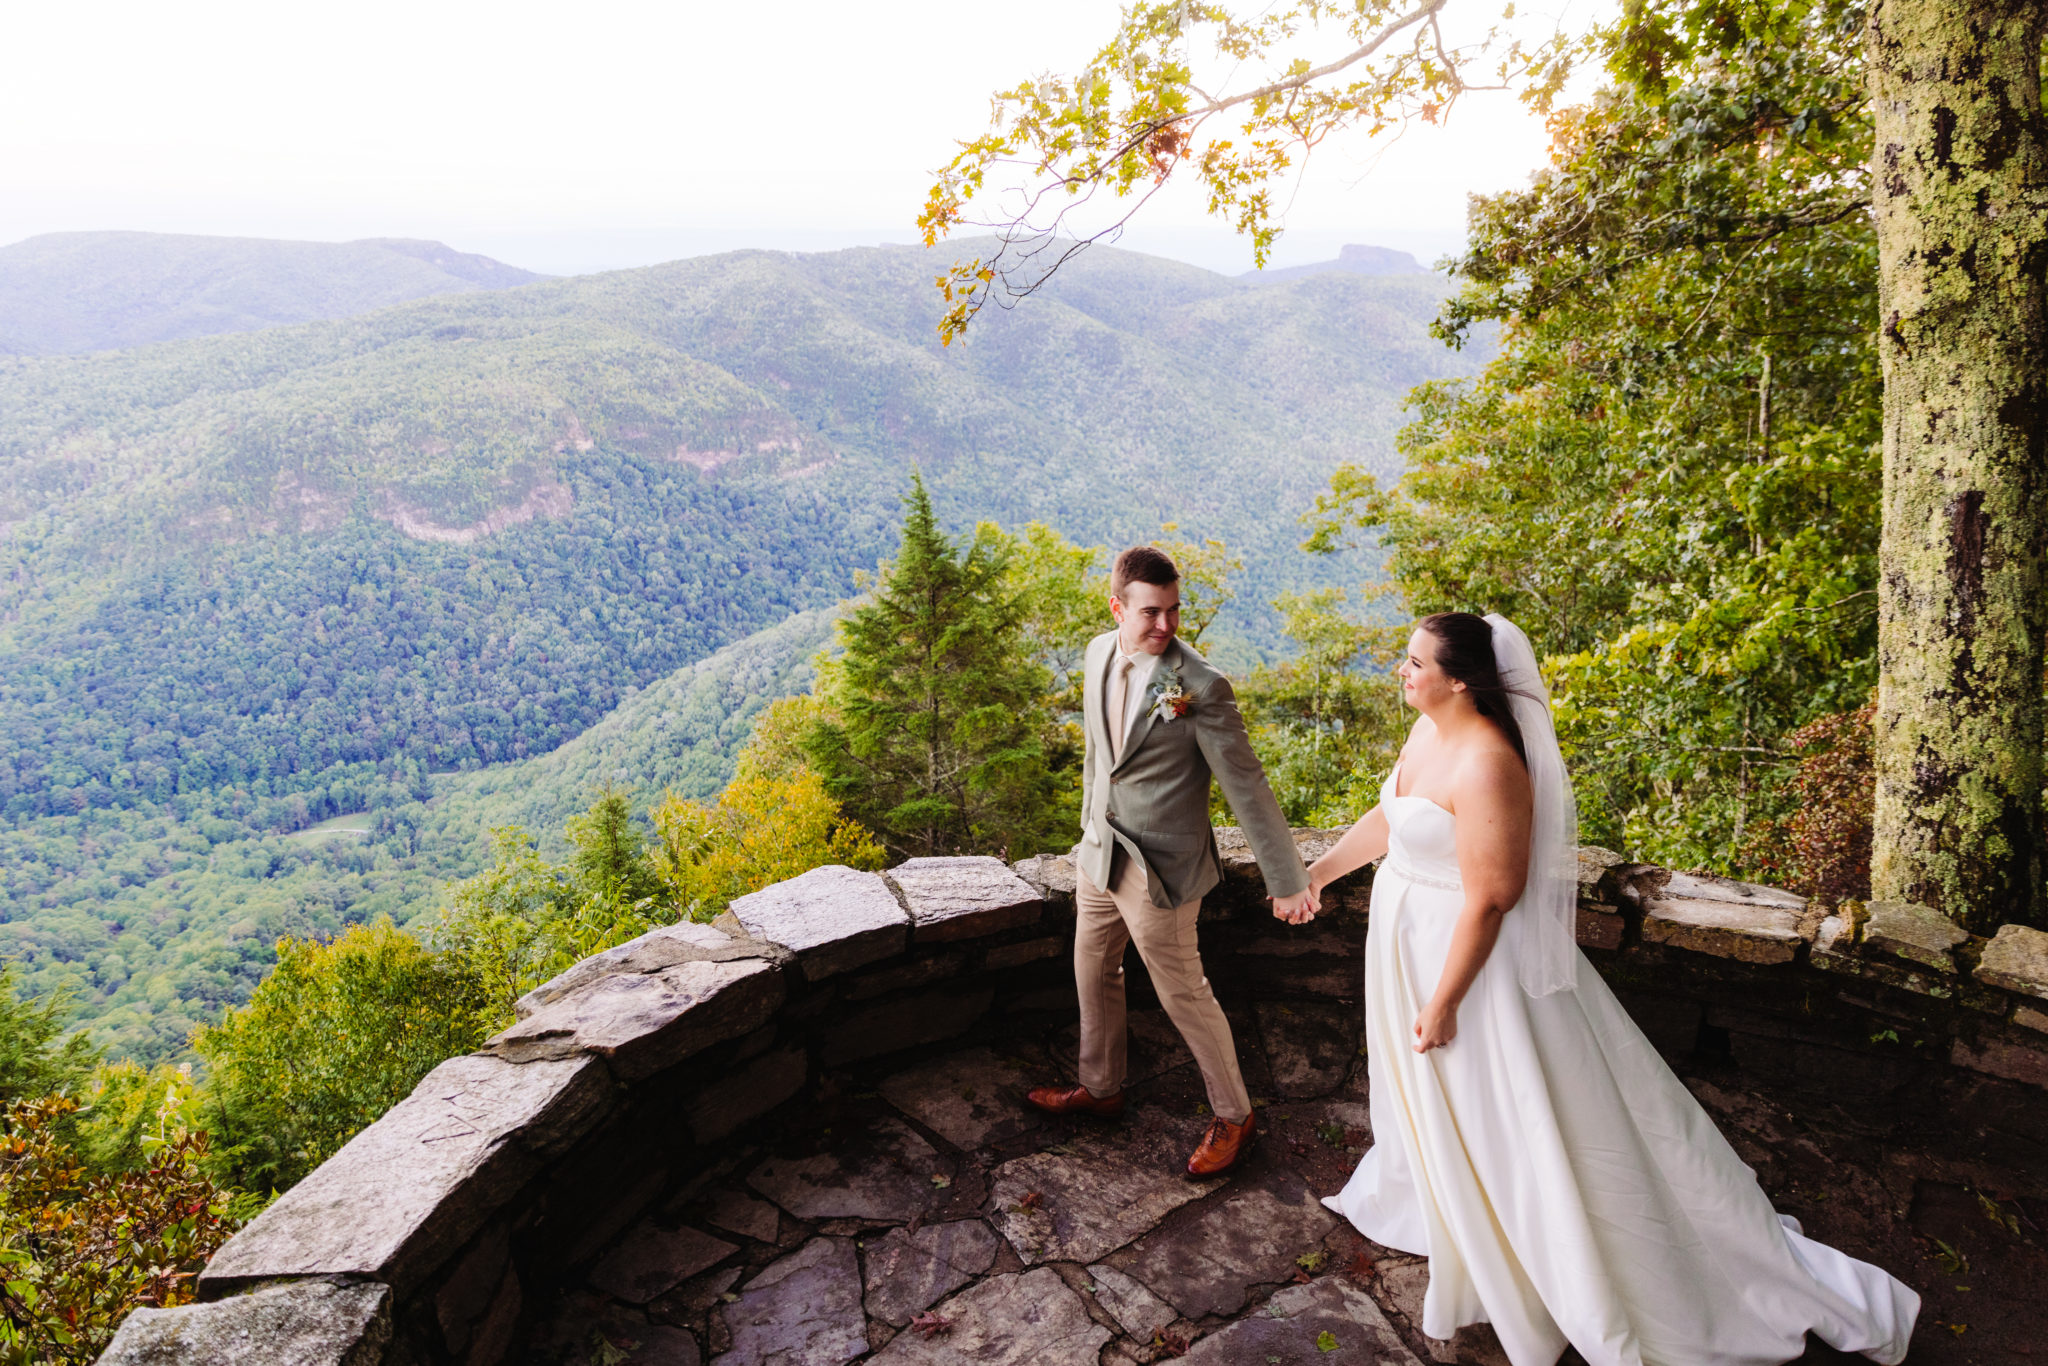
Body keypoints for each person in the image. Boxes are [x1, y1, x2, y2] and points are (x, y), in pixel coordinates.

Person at [1305, 611, 1920, 1366]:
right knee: (1435, 1100)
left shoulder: (1490, 763)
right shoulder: (1429, 731)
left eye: (1414, 662)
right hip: (1404, 939)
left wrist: (1444, 1001)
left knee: (1505, 1109)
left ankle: (1543, 1248)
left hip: (1463, 963)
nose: (1401, 671)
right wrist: (1321, 871)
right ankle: (1458, 1210)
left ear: (1460, 679)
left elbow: (1492, 897)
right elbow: (1392, 816)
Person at [1025, 545, 1316, 1176]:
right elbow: (1099, 758)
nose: (1166, 626)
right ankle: (1100, 1090)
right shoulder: (1099, 653)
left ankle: (1235, 1116)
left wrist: (1287, 880)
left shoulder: (1201, 686)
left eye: (1174, 611)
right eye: (1151, 613)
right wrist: (1085, 831)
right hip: (1099, 854)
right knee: (1092, 972)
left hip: (1162, 870)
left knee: (1184, 993)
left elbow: (1248, 785)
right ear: (1117, 608)